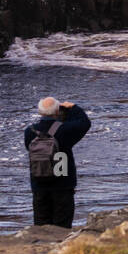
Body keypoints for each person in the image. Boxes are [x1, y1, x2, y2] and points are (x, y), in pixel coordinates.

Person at [23, 97, 91, 227]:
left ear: (39, 112)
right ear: (57, 111)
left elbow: (29, 148)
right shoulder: (65, 130)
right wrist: (73, 108)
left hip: (39, 182)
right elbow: (84, 123)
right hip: (62, 182)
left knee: (41, 225)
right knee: (62, 226)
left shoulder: (29, 131)